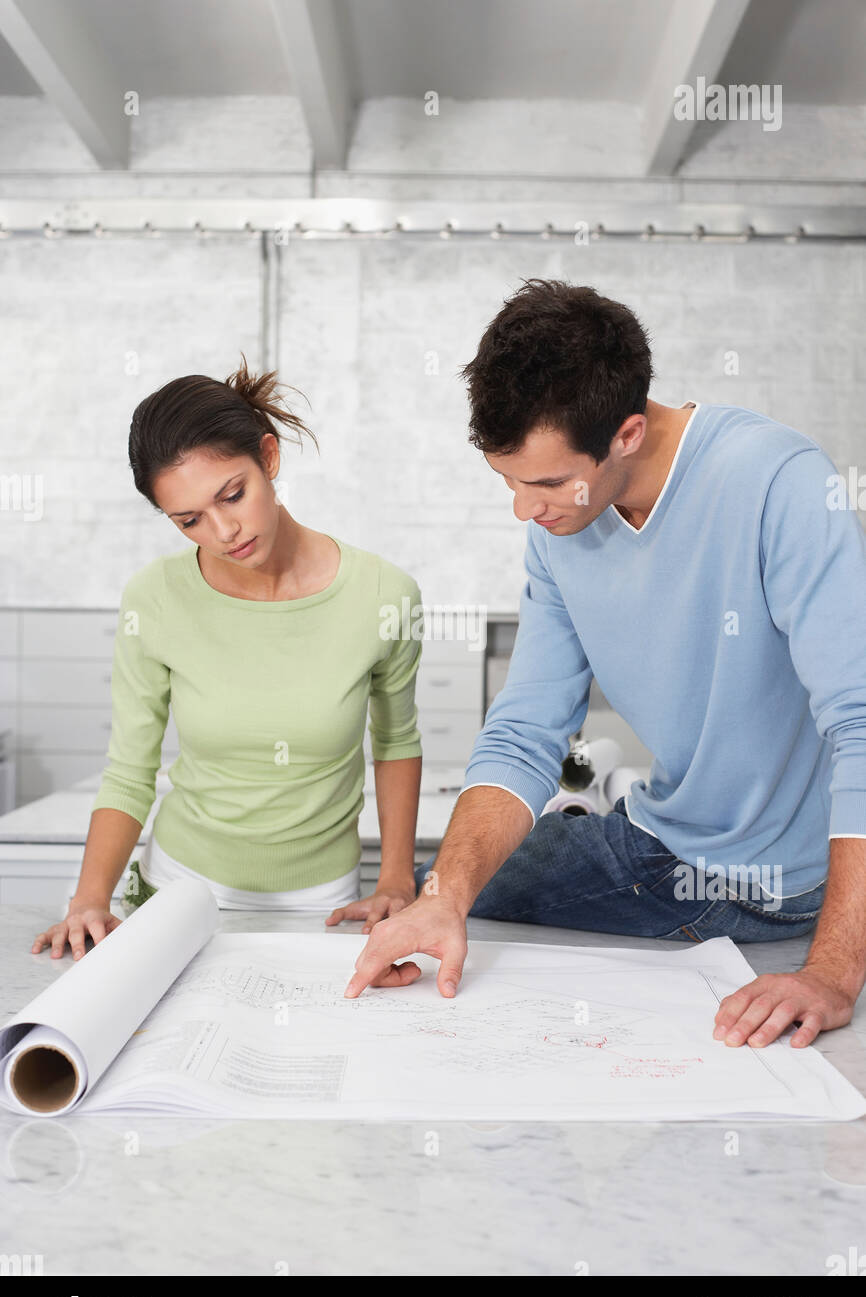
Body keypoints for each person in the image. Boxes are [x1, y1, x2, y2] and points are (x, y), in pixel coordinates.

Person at [332, 279, 866, 1051]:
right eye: (508, 481)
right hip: (663, 830)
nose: (526, 509)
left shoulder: (777, 482)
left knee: (464, 890)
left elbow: (860, 722)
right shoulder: (560, 527)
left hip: (765, 880)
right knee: (442, 888)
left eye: (545, 482)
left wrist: (833, 971)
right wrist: (445, 894)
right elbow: (523, 732)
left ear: (627, 433)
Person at [32, 357, 423, 960]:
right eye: (190, 520)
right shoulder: (154, 599)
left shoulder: (383, 594)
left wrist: (396, 878)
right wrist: (89, 899)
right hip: (178, 889)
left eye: (232, 495)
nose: (224, 531)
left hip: (324, 901)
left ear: (268, 458)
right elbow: (129, 770)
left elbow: (395, 742)